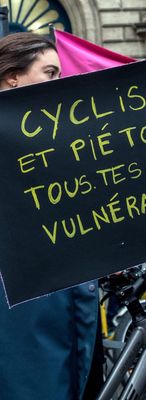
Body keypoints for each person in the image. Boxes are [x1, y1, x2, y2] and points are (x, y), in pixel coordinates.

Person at [0, 32, 102, 400]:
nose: (58, 82)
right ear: (13, 75)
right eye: (50, 73)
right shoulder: (24, 138)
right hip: (32, 308)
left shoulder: (46, 133)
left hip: (53, 300)